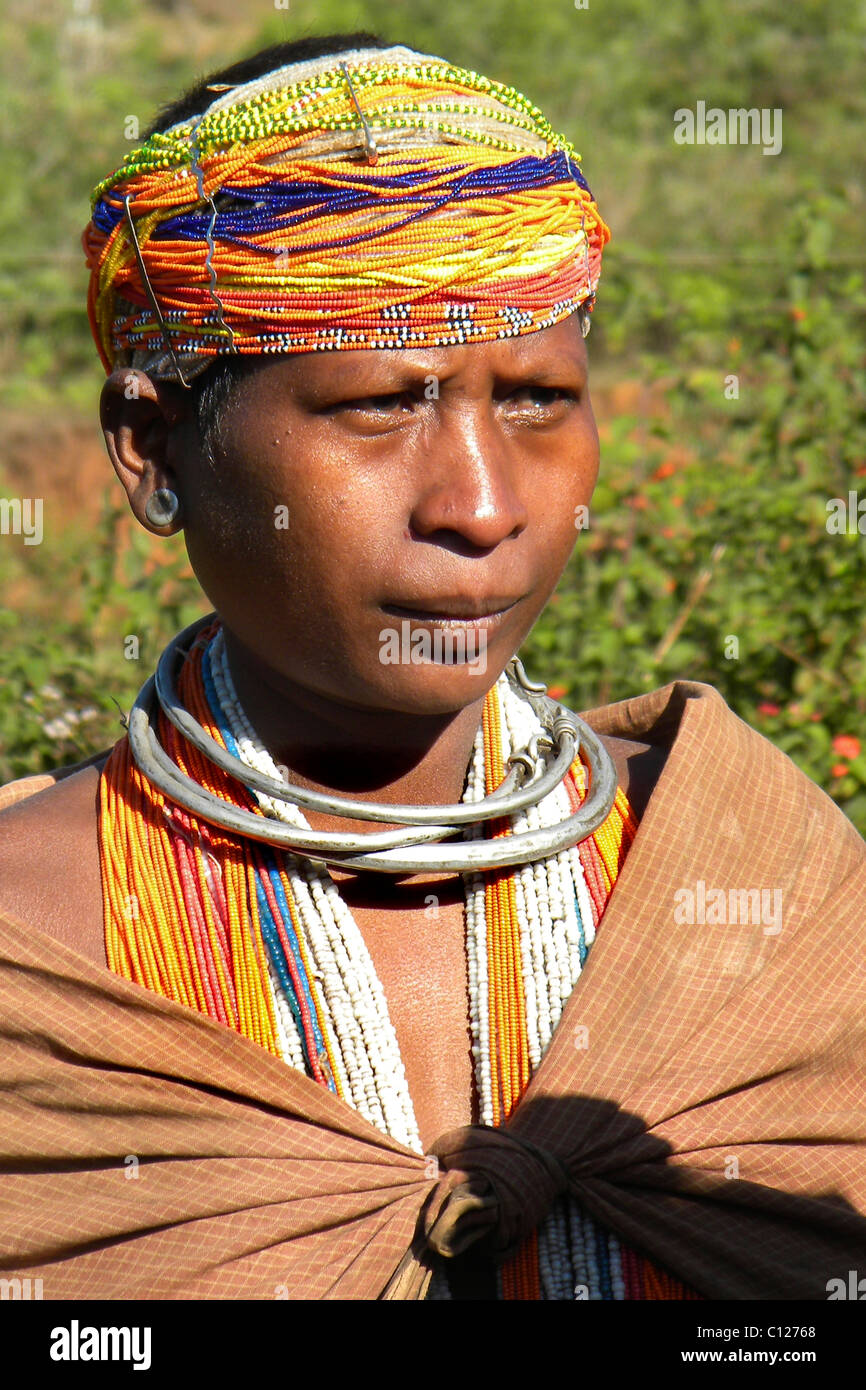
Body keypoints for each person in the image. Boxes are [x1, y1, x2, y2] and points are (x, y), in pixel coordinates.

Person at [0, 33, 864, 1302]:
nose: (478, 502)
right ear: (152, 445)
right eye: (380, 403)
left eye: (533, 398)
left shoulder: (747, 873)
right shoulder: (35, 954)